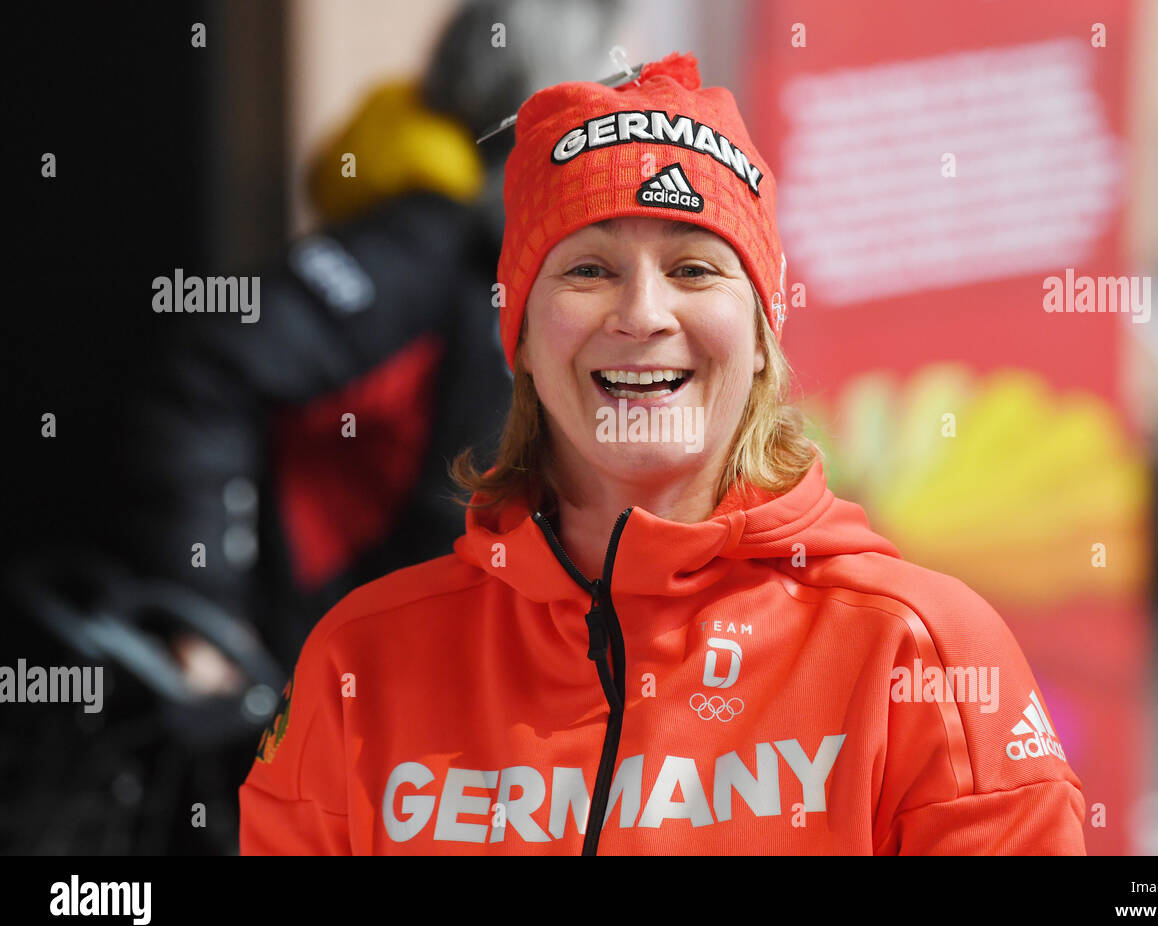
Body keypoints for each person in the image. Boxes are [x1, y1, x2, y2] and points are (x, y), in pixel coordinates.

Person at [239, 51, 1087, 855]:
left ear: (760, 336)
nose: (642, 314)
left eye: (692, 269)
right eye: (588, 271)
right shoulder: (359, 663)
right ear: (522, 339)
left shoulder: (921, 651)